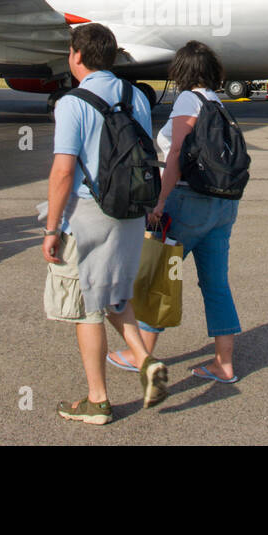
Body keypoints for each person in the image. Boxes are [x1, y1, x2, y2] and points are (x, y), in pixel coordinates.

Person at [43, 22, 168, 425]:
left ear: (77, 56)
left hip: (89, 214)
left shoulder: (72, 102)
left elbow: (63, 171)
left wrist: (51, 229)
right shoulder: (137, 96)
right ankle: (145, 360)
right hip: (131, 211)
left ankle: (98, 401)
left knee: (86, 310)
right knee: (113, 293)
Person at [108, 40, 243, 383]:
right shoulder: (218, 101)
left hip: (189, 201)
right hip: (223, 204)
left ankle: (141, 354)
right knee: (216, 284)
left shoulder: (189, 99)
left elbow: (178, 152)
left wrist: (161, 201)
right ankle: (223, 363)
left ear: (182, 71)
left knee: (160, 277)